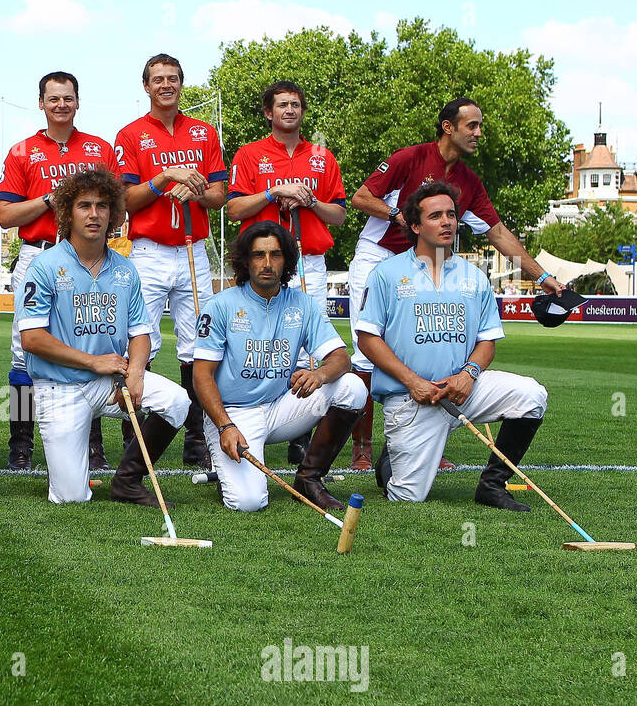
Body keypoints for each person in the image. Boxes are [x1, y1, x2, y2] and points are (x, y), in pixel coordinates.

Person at [347, 96, 562, 471]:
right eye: (472, 126)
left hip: (433, 267)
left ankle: (425, 435)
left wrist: (540, 275)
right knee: (367, 354)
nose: (479, 133)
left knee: (438, 348)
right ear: (448, 127)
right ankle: (363, 448)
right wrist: (400, 215)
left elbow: (496, 231)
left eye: (480, 126)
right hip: (380, 259)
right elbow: (361, 197)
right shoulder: (408, 158)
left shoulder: (468, 180)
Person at [356, 181, 548, 508]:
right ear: (415, 225)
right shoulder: (386, 274)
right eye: (435, 216)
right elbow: (367, 339)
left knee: (532, 396)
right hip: (412, 397)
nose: (446, 222)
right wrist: (413, 382)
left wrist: (469, 373)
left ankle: (492, 485)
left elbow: (487, 341)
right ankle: (389, 460)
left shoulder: (474, 277)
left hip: (462, 389)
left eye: (451, 215)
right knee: (407, 497)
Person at [17, 167, 188, 504]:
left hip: (110, 383)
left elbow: (141, 333)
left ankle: (128, 481)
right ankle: (65, 466)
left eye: (102, 206)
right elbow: (32, 339)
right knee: (71, 498)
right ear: (68, 212)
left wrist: (137, 372)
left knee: (177, 400)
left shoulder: (125, 269)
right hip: (60, 386)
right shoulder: (46, 265)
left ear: (114, 214)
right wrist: (93, 361)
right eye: (84, 206)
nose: (94, 214)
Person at [193, 221, 366, 512]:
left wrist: (319, 374)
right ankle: (226, 467)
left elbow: (341, 358)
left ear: (286, 260)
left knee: (353, 388)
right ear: (245, 261)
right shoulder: (220, 305)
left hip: (280, 407)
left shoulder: (303, 304)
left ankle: (309, 478)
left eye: (275, 254)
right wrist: (225, 425)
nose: (267, 263)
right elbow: (201, 377)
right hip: (233, 414)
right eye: (258, 255)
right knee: (248, 502)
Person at [0, 71, 116, 471]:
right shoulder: (22, 151)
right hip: (39, 254)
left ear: (78, 102)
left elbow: (118, 207)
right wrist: (50, 200)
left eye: (68, 98)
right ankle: (21, 442)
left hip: (89, 256)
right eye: (53, 99)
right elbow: (6, 215)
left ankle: (92, 443)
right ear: (42, 103)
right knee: (22, 351)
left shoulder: (100, 148)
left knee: (91, 342)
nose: (61, 105)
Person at [114, 53, 227, 469]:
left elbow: (220, 196)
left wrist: (195, 190)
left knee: (198, 343)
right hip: (149, 250)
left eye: (173, 78)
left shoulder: (203, 133)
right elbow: (124, 202)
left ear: (181, 84)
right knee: (140, 341)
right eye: (158, 79)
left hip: (194, 249)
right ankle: (138, 436)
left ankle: (197, 438)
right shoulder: (130, 135)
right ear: (146, 86)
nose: (166, 85)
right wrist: (163, 179)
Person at [225, 80, 346, 464]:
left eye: (296, 104)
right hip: (265, 261)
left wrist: (311, 201)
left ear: (302, 110)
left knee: (311, 346)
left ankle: (300, 431)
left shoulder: (322, 157)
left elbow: (339, 215)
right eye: (282, 105)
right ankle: (248, 416)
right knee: (264, 341)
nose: (289, 110)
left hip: (309, 257)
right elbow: (234, 210)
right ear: (268, 112)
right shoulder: (249, 154)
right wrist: (273, 193)